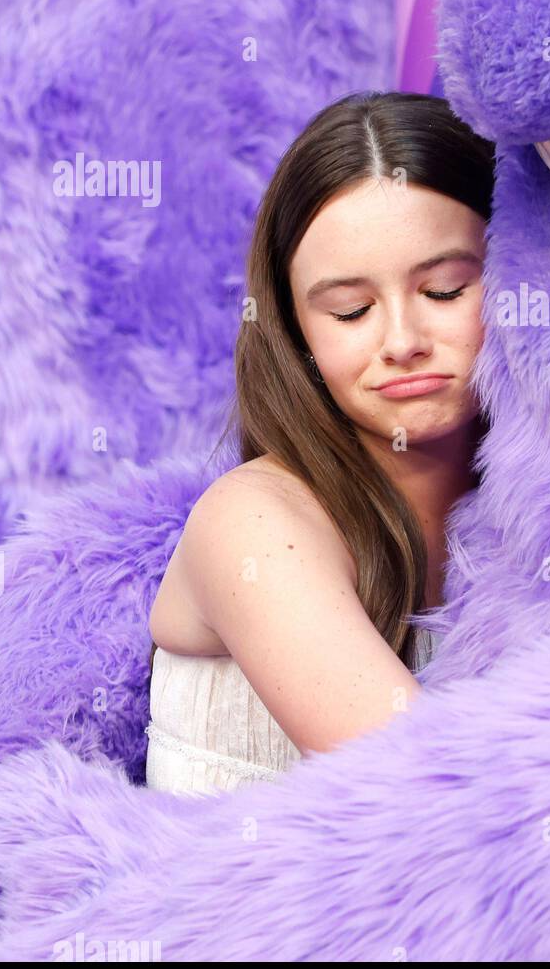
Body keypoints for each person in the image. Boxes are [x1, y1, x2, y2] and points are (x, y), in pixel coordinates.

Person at [144, 91, 494, 795]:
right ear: (296, 329)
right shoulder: (254, 523)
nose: (402, 342)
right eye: (350, 311)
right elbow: (428, 798)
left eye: (446, 291)